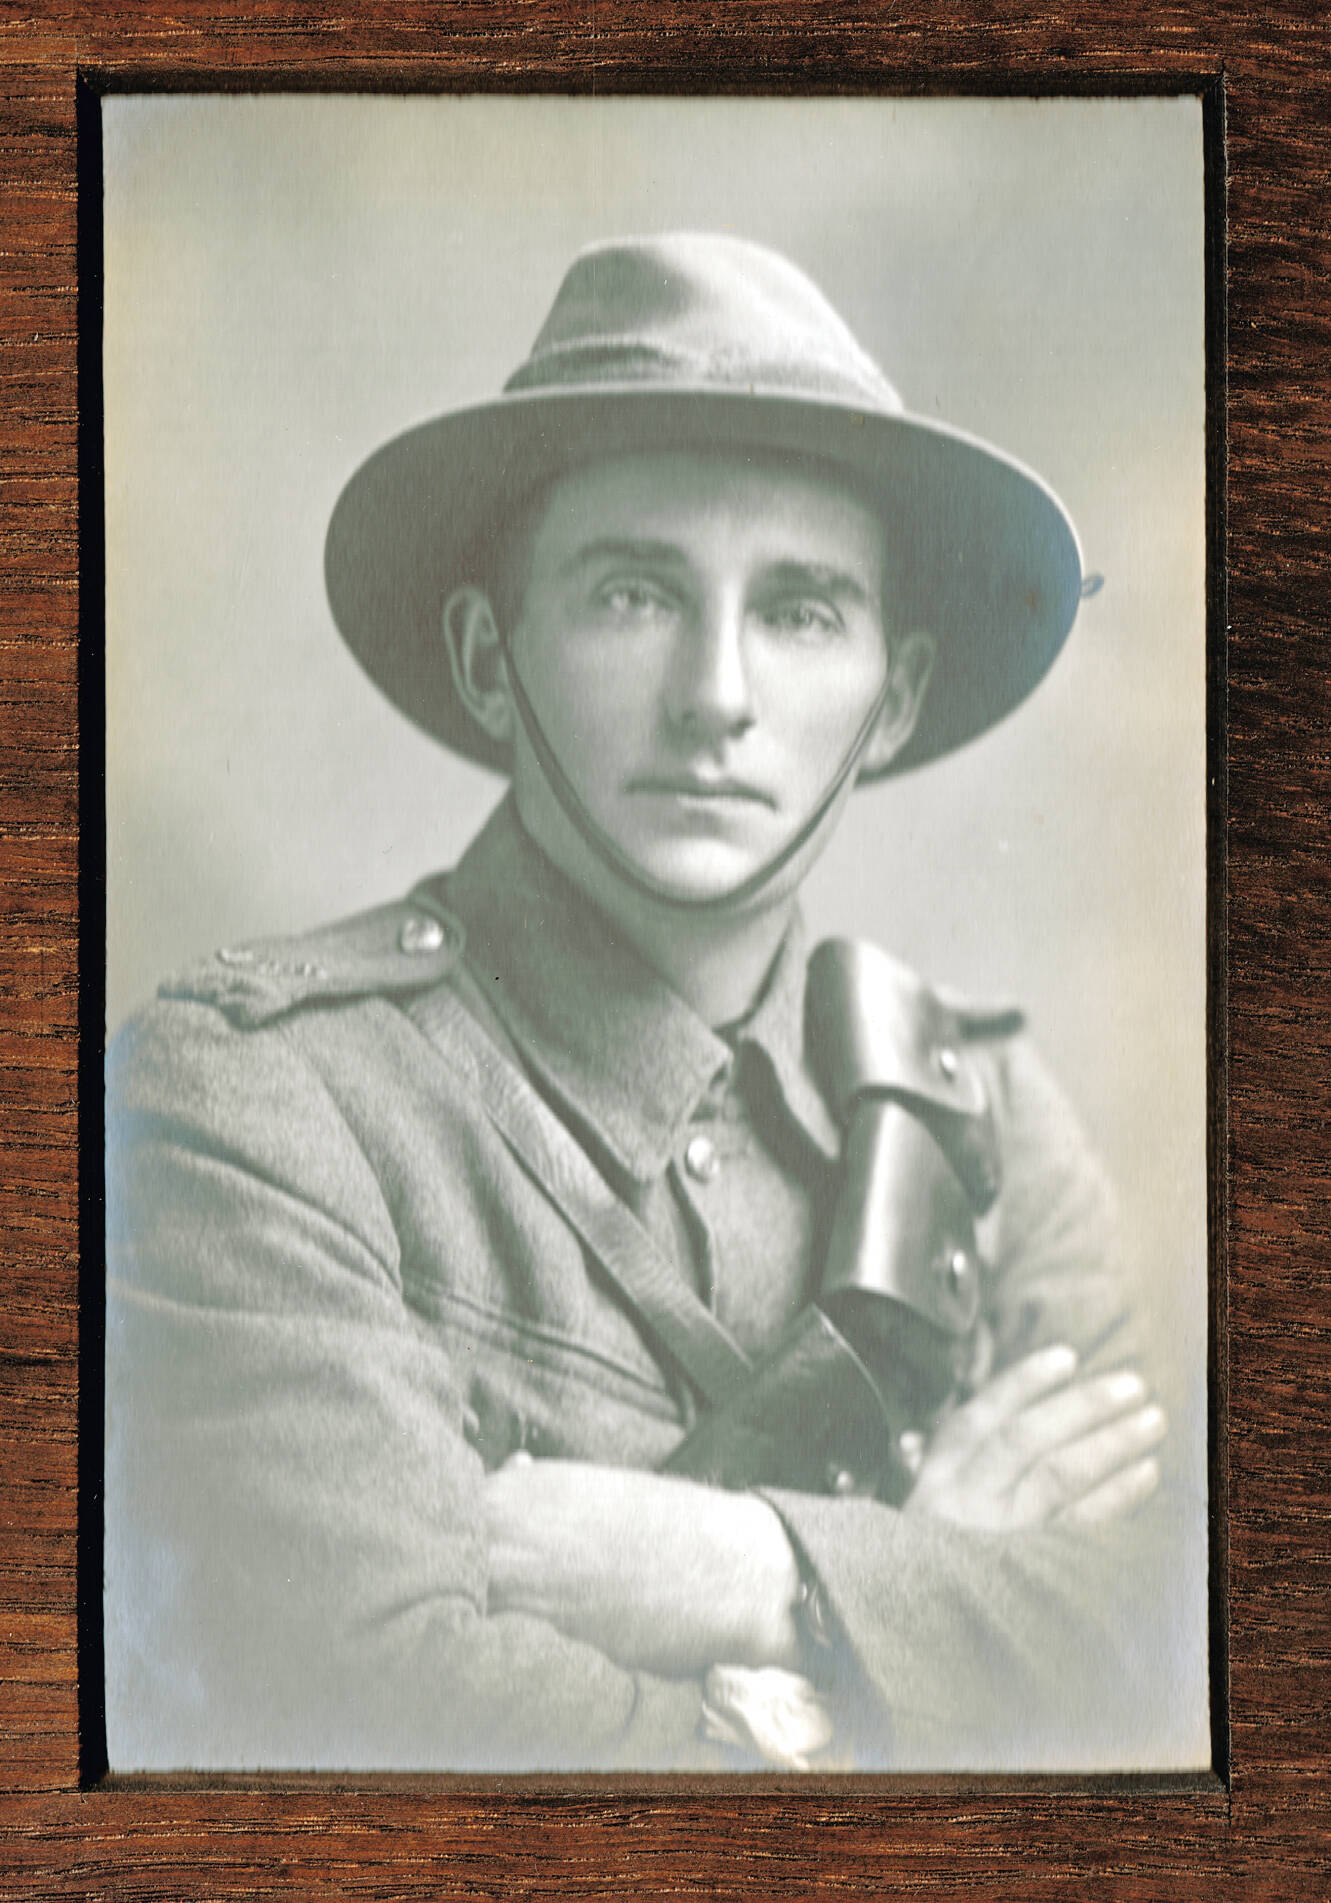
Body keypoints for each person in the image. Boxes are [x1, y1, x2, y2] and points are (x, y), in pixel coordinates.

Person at [104, 232, 1171, 1774]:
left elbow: (1148, 1659)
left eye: (801, 611)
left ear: (897, 701)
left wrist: (746, 1574)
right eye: (631, 593)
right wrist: (914, 1635)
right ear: (489, 659)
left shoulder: (989, 1127)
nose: (716, 695)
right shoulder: (248, 1105)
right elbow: (386, 1722)